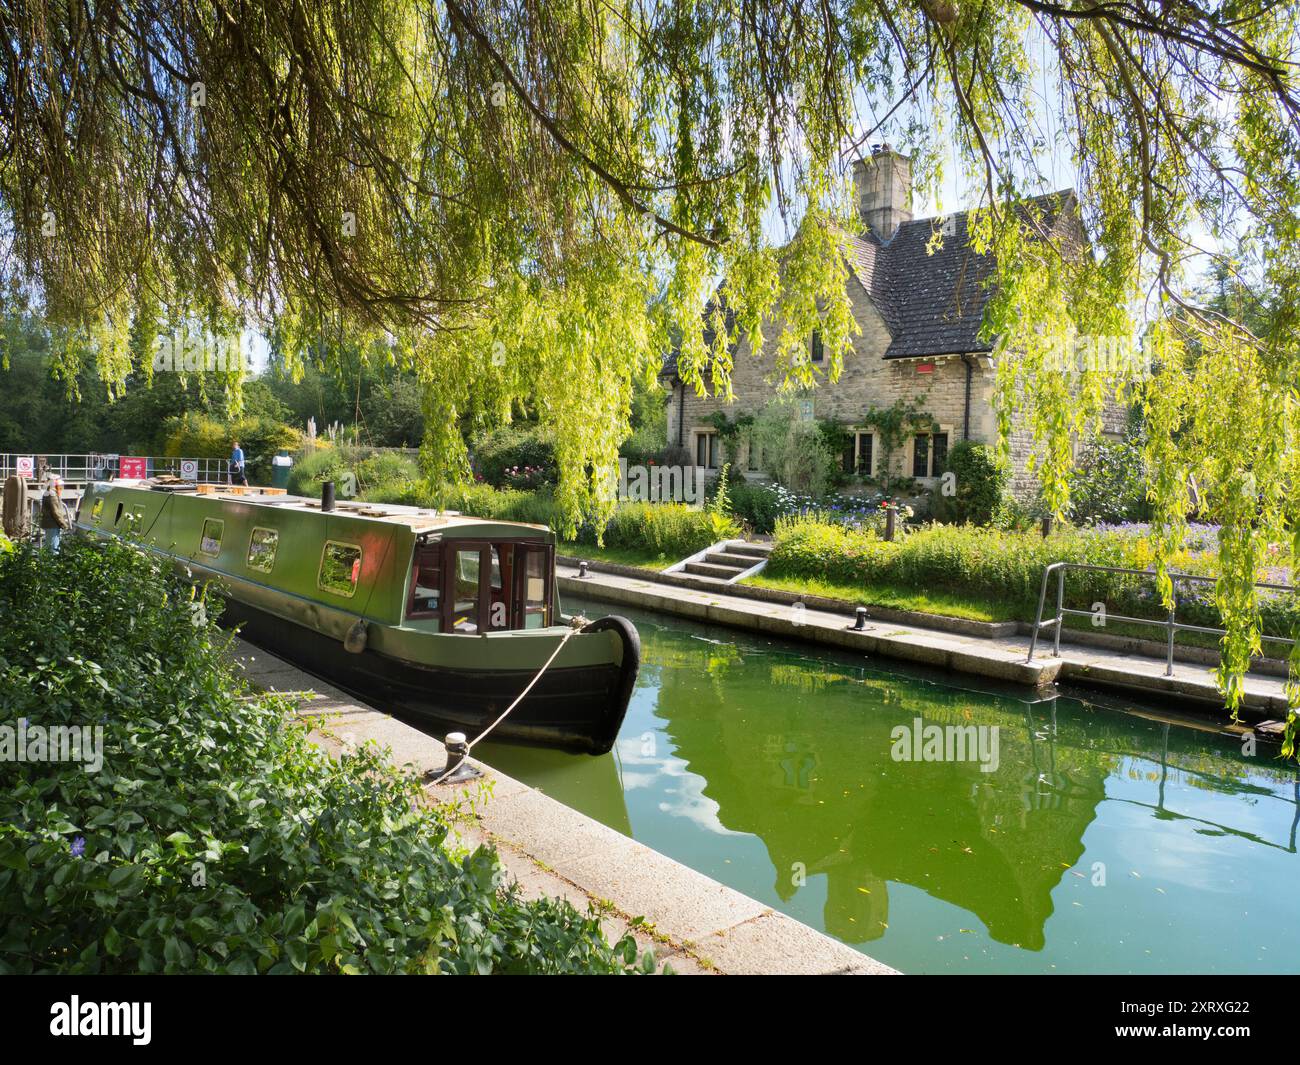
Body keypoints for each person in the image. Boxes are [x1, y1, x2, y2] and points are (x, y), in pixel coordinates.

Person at [40, 477, 71, 552]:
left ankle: (46, 560)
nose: (61, 489)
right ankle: (52, 562)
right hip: (52, 524)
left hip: (50, 523)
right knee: (53, 547)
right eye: (60, 487)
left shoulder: (49, 492)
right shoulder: (52, 495)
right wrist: (63, 524)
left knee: (49, 545)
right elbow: (55, 512)